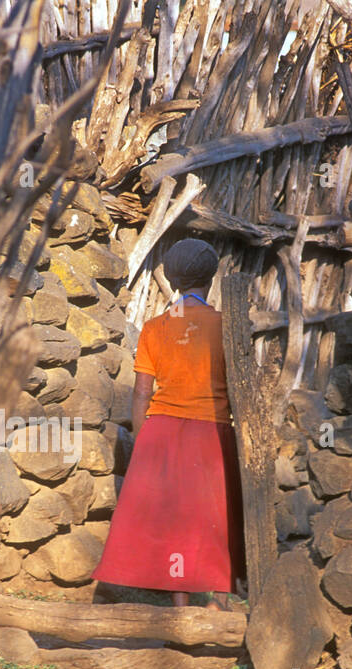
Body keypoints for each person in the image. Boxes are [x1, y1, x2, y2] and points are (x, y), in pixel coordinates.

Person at [91, 238, 245, 610]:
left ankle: (180, 605)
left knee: (176, 518)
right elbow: (241, 387)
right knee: (214, 516)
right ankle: (217, 602)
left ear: (172, 280)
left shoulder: (155, 327)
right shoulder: (226, 326)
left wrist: (144, 441)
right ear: (210, 278)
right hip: (211, 430)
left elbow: (142, 392)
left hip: (162, 431)